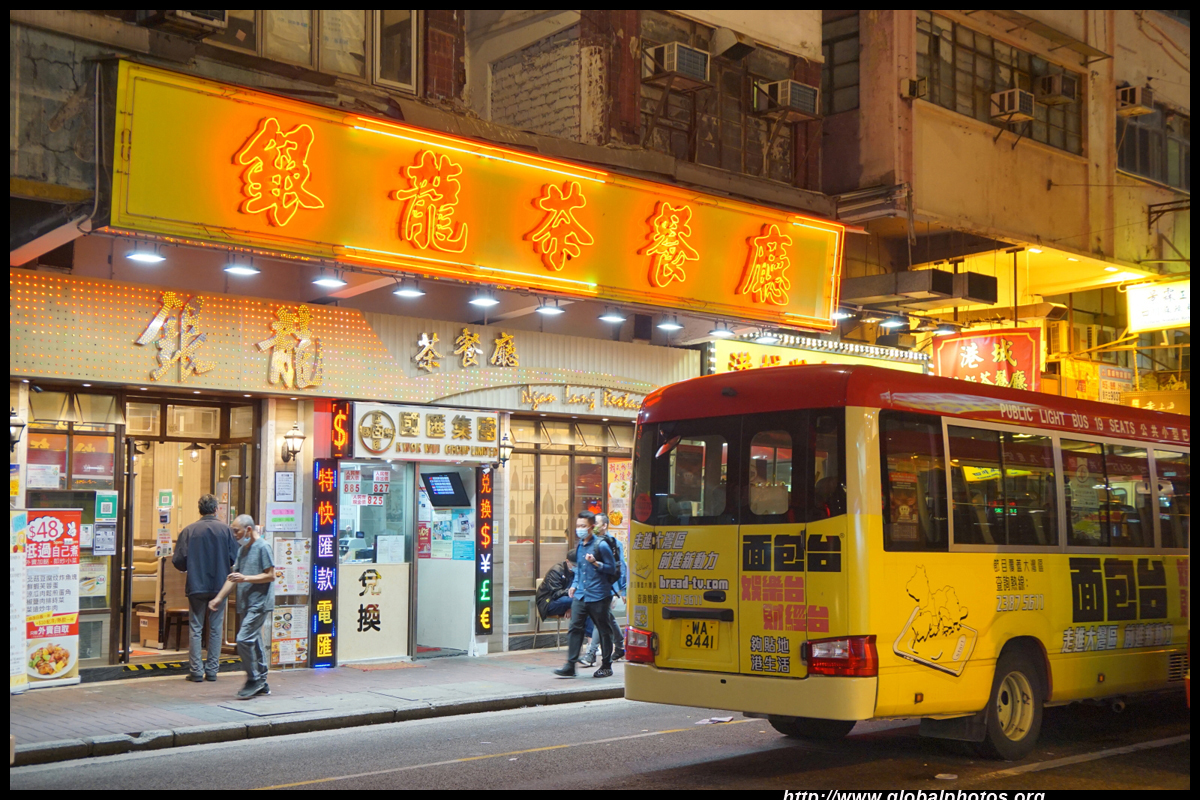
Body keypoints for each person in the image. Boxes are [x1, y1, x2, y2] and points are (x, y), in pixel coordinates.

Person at [172, 494, 239, 682]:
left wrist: (189, 567)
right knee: (216, 628)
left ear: (199, 509)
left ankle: (195, 671)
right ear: (216, 509)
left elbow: (178, 560)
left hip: (196, 585)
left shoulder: (189, 530)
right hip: (220, 586)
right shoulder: (226, 531)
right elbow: (236, 558)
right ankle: (212, 671)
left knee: (196, 627)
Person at [209, 514, 276, 699]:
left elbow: (270, 575)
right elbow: (233, 578)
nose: (234, 535)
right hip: (246, 602)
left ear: (248, 529)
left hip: (260, 603)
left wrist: (245, 578)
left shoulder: (263, 547)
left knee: (243, 639)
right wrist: (218, 598)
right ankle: (262, 680)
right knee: (254, 640)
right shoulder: (242, 550)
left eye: (236, 531)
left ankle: (254, 678)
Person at [553, 511, 618, 679]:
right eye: (577, 526)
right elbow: (579, 571)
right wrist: (574, 586)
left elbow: (612, 568)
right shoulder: (580, 545)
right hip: (581, 595)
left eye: (583, 526)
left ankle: (606, 665)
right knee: (575, 628)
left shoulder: (601, 545)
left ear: (591, 527)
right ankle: (570, 665)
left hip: (599, 595)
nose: (579, 529)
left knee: (604, 630)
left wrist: (595, 563)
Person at [580, 513, 626, 666]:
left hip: (608, 588)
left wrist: (623, 590)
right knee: (607, 619)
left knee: (598, 621)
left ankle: (591, 654)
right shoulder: (590, 543)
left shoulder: (613, 544)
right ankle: (620, 646)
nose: (594, 526)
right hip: (594, 589)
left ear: (605, 525)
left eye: (597, 523)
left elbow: (620, 567)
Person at [535, 551, 576, 622]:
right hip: (548, 601)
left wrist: (571, 608)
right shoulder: (556, 571)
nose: (576, 567)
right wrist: (571, 592)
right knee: (573, 601)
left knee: (583, 603)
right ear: (567, 561)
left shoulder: (577, 571)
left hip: (568, 600)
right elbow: (555, 593)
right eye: (574, 565)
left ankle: (585, 632)